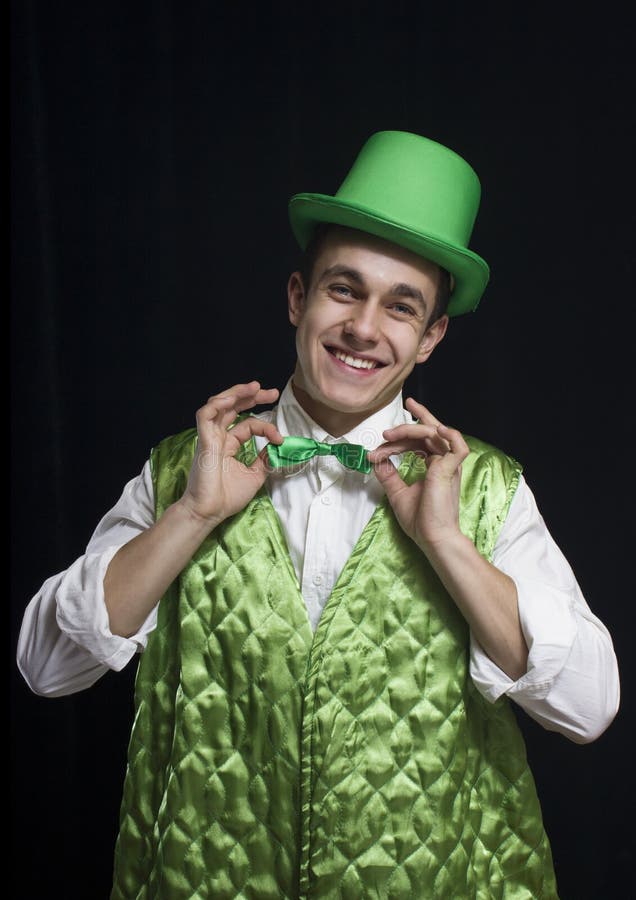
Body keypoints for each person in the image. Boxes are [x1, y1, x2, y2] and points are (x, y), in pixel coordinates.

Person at [17, 130, 619, 899]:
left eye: (402, 307)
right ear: (299, 296)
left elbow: (589, 708)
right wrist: (193, 516)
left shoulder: (487, 490)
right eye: (345, 289)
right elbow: (45, 669)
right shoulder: (182, 470)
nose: (365, 328)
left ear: (431, 337)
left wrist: (445, 542)